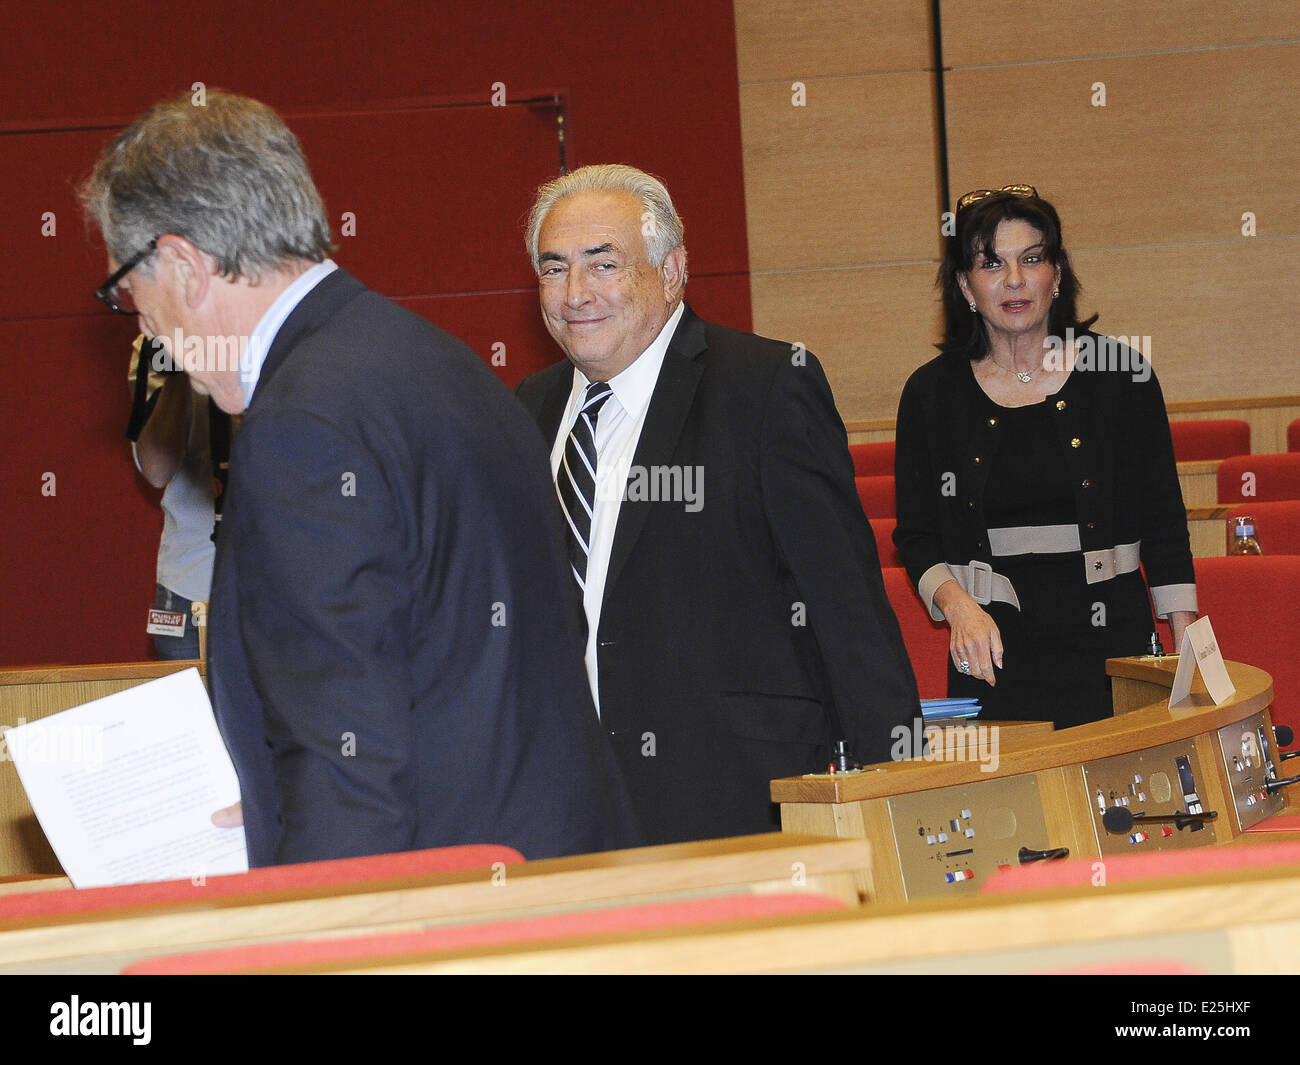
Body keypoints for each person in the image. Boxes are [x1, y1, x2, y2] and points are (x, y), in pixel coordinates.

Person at [82, 91, 633, 866]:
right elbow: (454, 666)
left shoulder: (299, 426)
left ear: (181, 263)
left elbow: (347, 766)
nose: (141, 325)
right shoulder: (441, 363)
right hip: (558, 872)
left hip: (441, 919)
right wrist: (277, 807)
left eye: (126, 292)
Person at [515, 164, 920, 845]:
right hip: (566, 807)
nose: (575, 293)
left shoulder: (765, 389)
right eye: (554, 270)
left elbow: (847, 611)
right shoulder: (530, 406)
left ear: (672, 270)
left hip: (731, 803)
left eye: (603, 263)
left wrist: (899, 800)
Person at [893, 185, 1197, 729]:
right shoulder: (930, 394)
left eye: (1032, 259)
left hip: (1115, 642)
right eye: (992, 264)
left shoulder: (1121, 375)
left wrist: (1186, 636)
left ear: (1056, 275)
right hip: (991, 649)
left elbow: (1164, 519)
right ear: (965, 285)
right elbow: (915, 535)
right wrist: (959, 609)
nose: (1014, 279)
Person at [126, 336, 215, 661]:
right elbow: (156, 470)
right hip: (188, 585)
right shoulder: (155, 343)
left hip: (279, 584)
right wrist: (178, 374)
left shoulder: (273, 326)